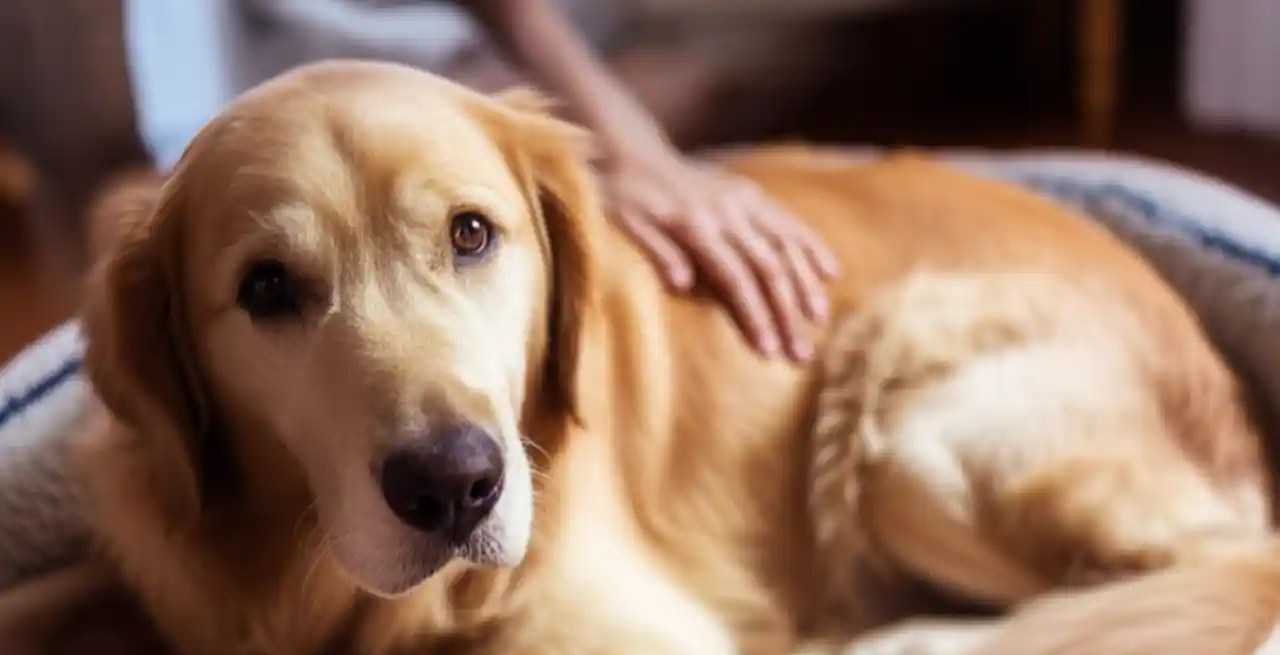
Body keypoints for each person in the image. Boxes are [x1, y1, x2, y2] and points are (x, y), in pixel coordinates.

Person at [124, 0, 839, 361]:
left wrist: (631, 155)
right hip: (267, 124)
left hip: (486, 78)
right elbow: (151, 177)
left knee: (712, 82)